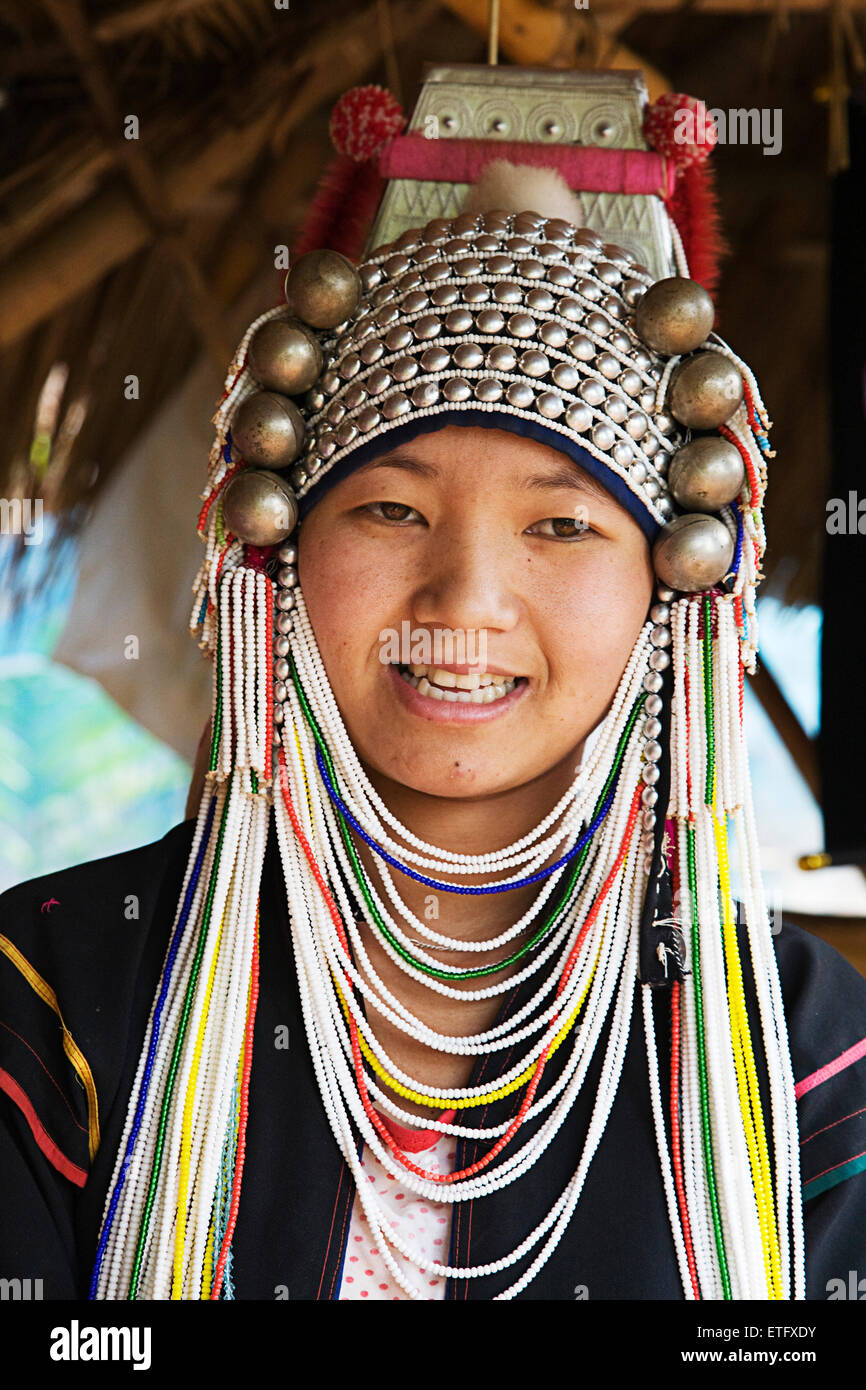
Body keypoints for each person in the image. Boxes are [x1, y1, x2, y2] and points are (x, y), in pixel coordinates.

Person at [2, 82, 866, 1303]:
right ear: (278, 557)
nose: (463, 598)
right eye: (391, 509)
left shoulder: (800, 1060)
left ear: (667, 596)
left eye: (560, 526)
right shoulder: (56, 995)